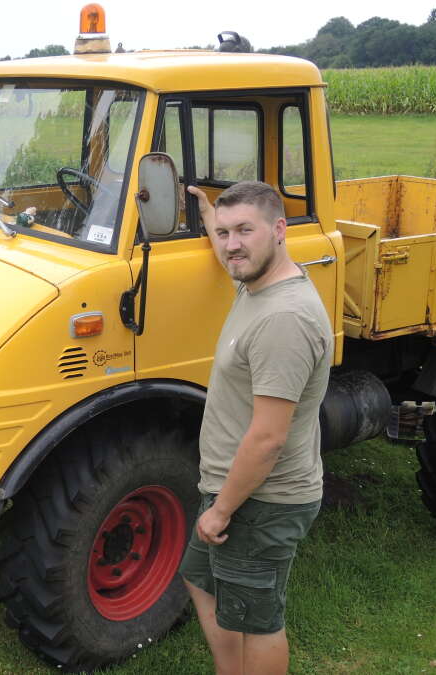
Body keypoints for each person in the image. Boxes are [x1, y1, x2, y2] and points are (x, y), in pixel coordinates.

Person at [179, 181, 333, 674]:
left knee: (256, 620)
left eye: (245, 230)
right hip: (231, 487)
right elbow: (234, 251)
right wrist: (207, 211)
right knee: (201, 580)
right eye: (223, 233)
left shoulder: (284, 320)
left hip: (261, 499)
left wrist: (221, 511)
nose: (231, 245)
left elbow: (268, 439)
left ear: (279, 230)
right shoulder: (256, 284)